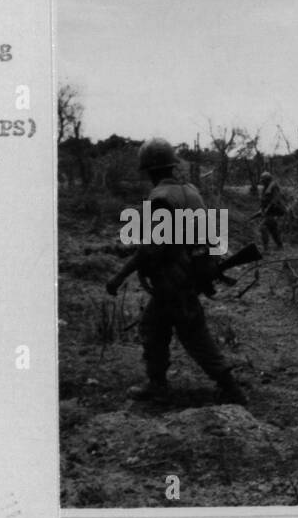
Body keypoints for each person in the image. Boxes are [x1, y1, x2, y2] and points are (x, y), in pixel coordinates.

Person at [105, 138, 247, 405]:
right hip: (193, 273)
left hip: (173, 279)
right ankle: (164, 382)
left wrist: (120, 276)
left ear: (150, 170)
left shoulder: (160, 198)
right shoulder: (191, 191)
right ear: (171, 165)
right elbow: (207, 234)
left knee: (191, 335)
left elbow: (152, 249)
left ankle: (228, 389)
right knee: (158, 327)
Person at [257, 171, 287, 250]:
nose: (262, 182)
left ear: (267, 180)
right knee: (273, 229)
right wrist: (261, 210)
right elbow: (263, 202)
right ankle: (280, 246)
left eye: (263, 180)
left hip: (275, 211)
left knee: (263, 227)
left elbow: (275, 199)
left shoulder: (274, 187)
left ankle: (266, 248)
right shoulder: (265, 188)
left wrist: (267, 209)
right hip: (270, 212)